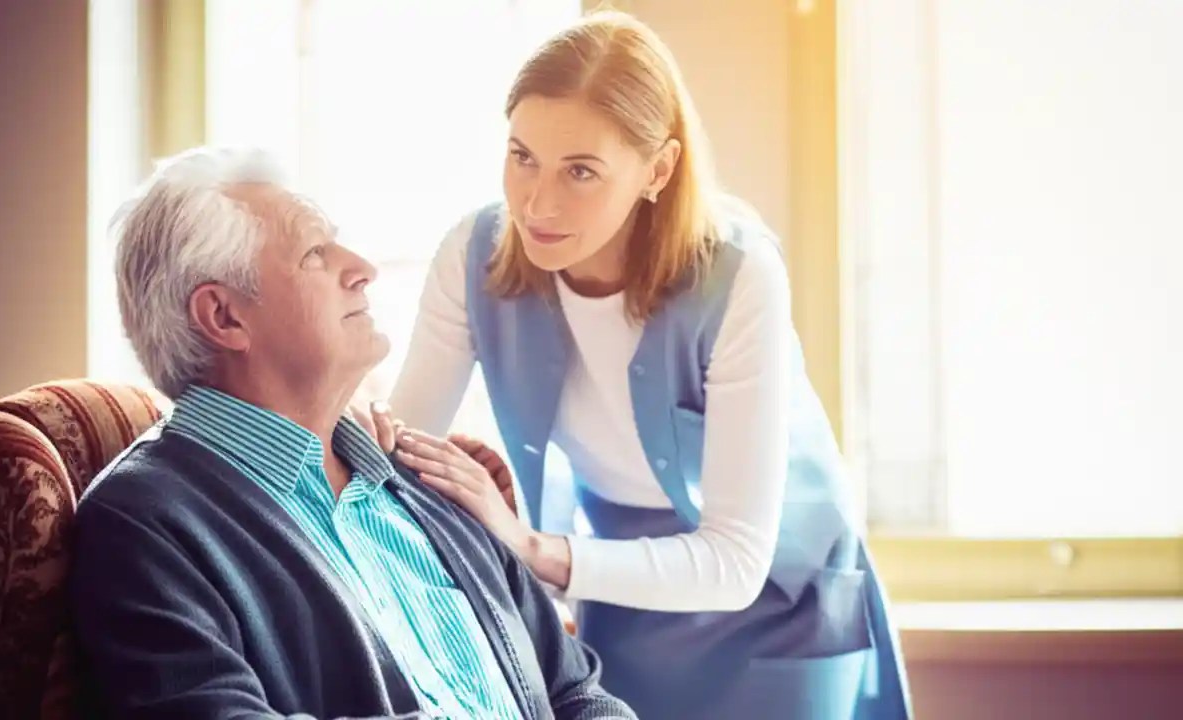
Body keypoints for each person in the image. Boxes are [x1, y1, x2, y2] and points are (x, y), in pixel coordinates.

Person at [372, 10, 911, 720]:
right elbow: (393, 456)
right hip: (622, 590)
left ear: (657, 169)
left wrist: (536, 549)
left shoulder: (740, 275)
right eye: (522, 155)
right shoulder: (472, 257)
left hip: (781, 604)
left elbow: (734, 563)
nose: (537, 201)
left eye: (581, 171)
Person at [68, 146, 636, 720]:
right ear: (224, 317)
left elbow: (575, 689)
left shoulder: (425, 476)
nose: (362, 267)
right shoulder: (143, 522)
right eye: (315, 252)